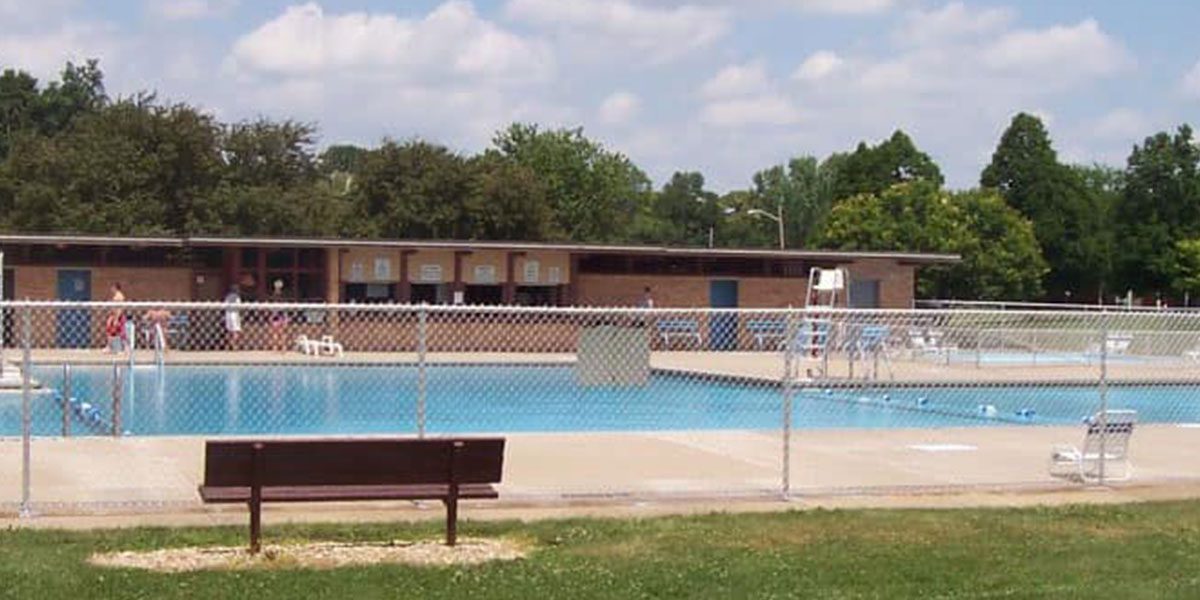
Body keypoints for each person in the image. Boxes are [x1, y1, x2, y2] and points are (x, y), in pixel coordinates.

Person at [105, 283, 127, 353]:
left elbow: (119, 308)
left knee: (120, 332)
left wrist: (116, 318)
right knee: (111, 331)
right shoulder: (115, 296)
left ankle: (125, 347)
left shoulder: (119, 296)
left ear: (115, 288)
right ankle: (109, 346)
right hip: (114, 316)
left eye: (112, 288)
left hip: (118, 316)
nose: (111, 289)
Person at [269, 280, 290, 353]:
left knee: (281, 332)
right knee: (276, 332)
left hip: (281, 315)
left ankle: (282, 348)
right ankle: (277, 348)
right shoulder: (275, 296)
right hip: (277, 315)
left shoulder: (281, 296)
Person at [223, 285, 242, 351]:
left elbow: (225, 306)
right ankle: (234, 345)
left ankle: (227, 346)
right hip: (234, 314)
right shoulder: (237, 297)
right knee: (236, 330)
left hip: (228, 314)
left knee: (229, 331)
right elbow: (239, 306)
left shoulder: (227, 297)